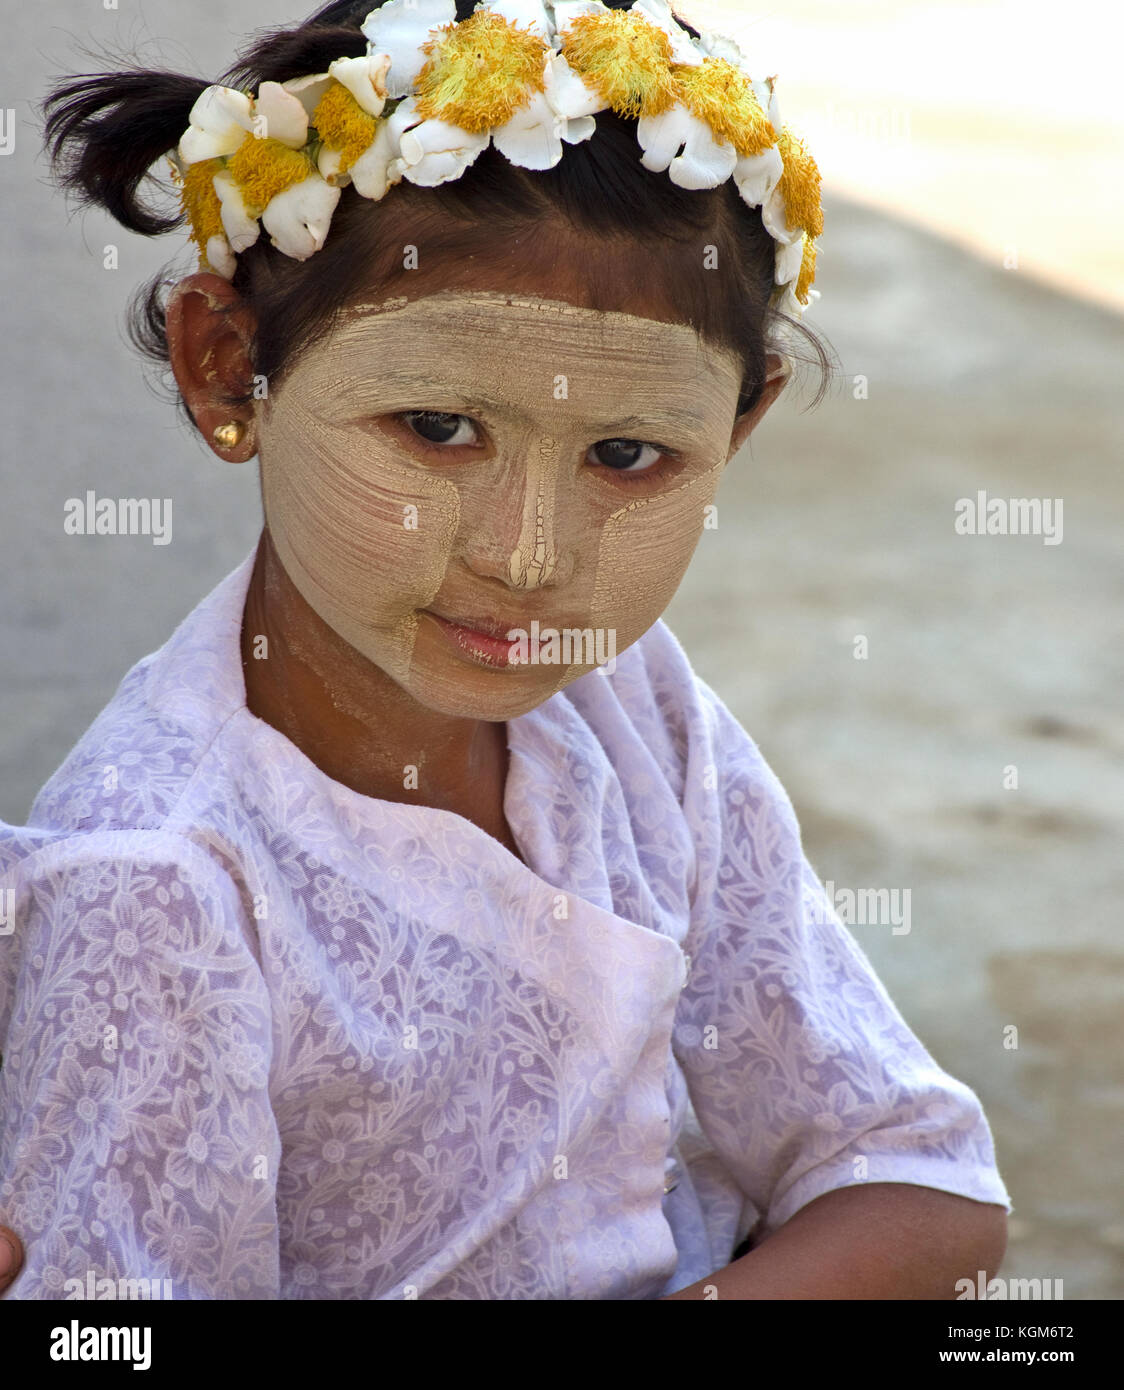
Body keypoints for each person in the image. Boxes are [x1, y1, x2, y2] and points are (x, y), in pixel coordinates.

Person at [0, 0, 1009, 1299]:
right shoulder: (160, 891)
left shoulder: (631, 705)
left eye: (628, 456)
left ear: (741, 422)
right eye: (436, 426)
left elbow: (923, 1186)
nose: (529, 558)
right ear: (225, 365)